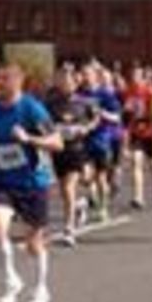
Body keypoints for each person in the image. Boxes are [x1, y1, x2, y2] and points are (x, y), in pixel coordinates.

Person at [0, 64, 62, 302]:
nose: (0, 84)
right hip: (3, 179)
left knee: (33, 242)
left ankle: (40, 289)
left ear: (18, 82)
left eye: (5, 80)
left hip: (32, 182)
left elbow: (57, 142)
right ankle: (11, 281)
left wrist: (29, 139)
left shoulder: (31, 108)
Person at [44, 67, 96, 247]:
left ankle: (69, 228)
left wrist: (86, 128)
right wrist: (51, 131)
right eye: (62, 81)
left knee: (68, 186)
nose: (65, 84)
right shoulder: (50, 103)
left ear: (76, 83)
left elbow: (95, 119)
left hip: (77, 148)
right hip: (59, 150)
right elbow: (43, 123)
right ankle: (80, 204)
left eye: (69, 81)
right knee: (64, 190)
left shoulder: (85, 102)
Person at [77, 63, 122, 222]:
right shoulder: (79, 93)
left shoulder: (105, 94)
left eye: (87, 74)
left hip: (101, 140)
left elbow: (117, 117)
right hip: (83, 140)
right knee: (84, 176)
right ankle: (88, 198)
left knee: (101, 178)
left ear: (95, 76)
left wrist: (102, 114)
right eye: (82, 74)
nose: (84, 77)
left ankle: (103, 207)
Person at [123, 65, 152, 209]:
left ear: (142, 77)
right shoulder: (128, 92)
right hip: (136, 134)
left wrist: (146, 123)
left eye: (137, 76)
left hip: (150, 133)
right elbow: (126, 113)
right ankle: (138, 197)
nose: (134, 79)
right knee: (136, 163)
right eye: (132, 76)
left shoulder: (150, 93)